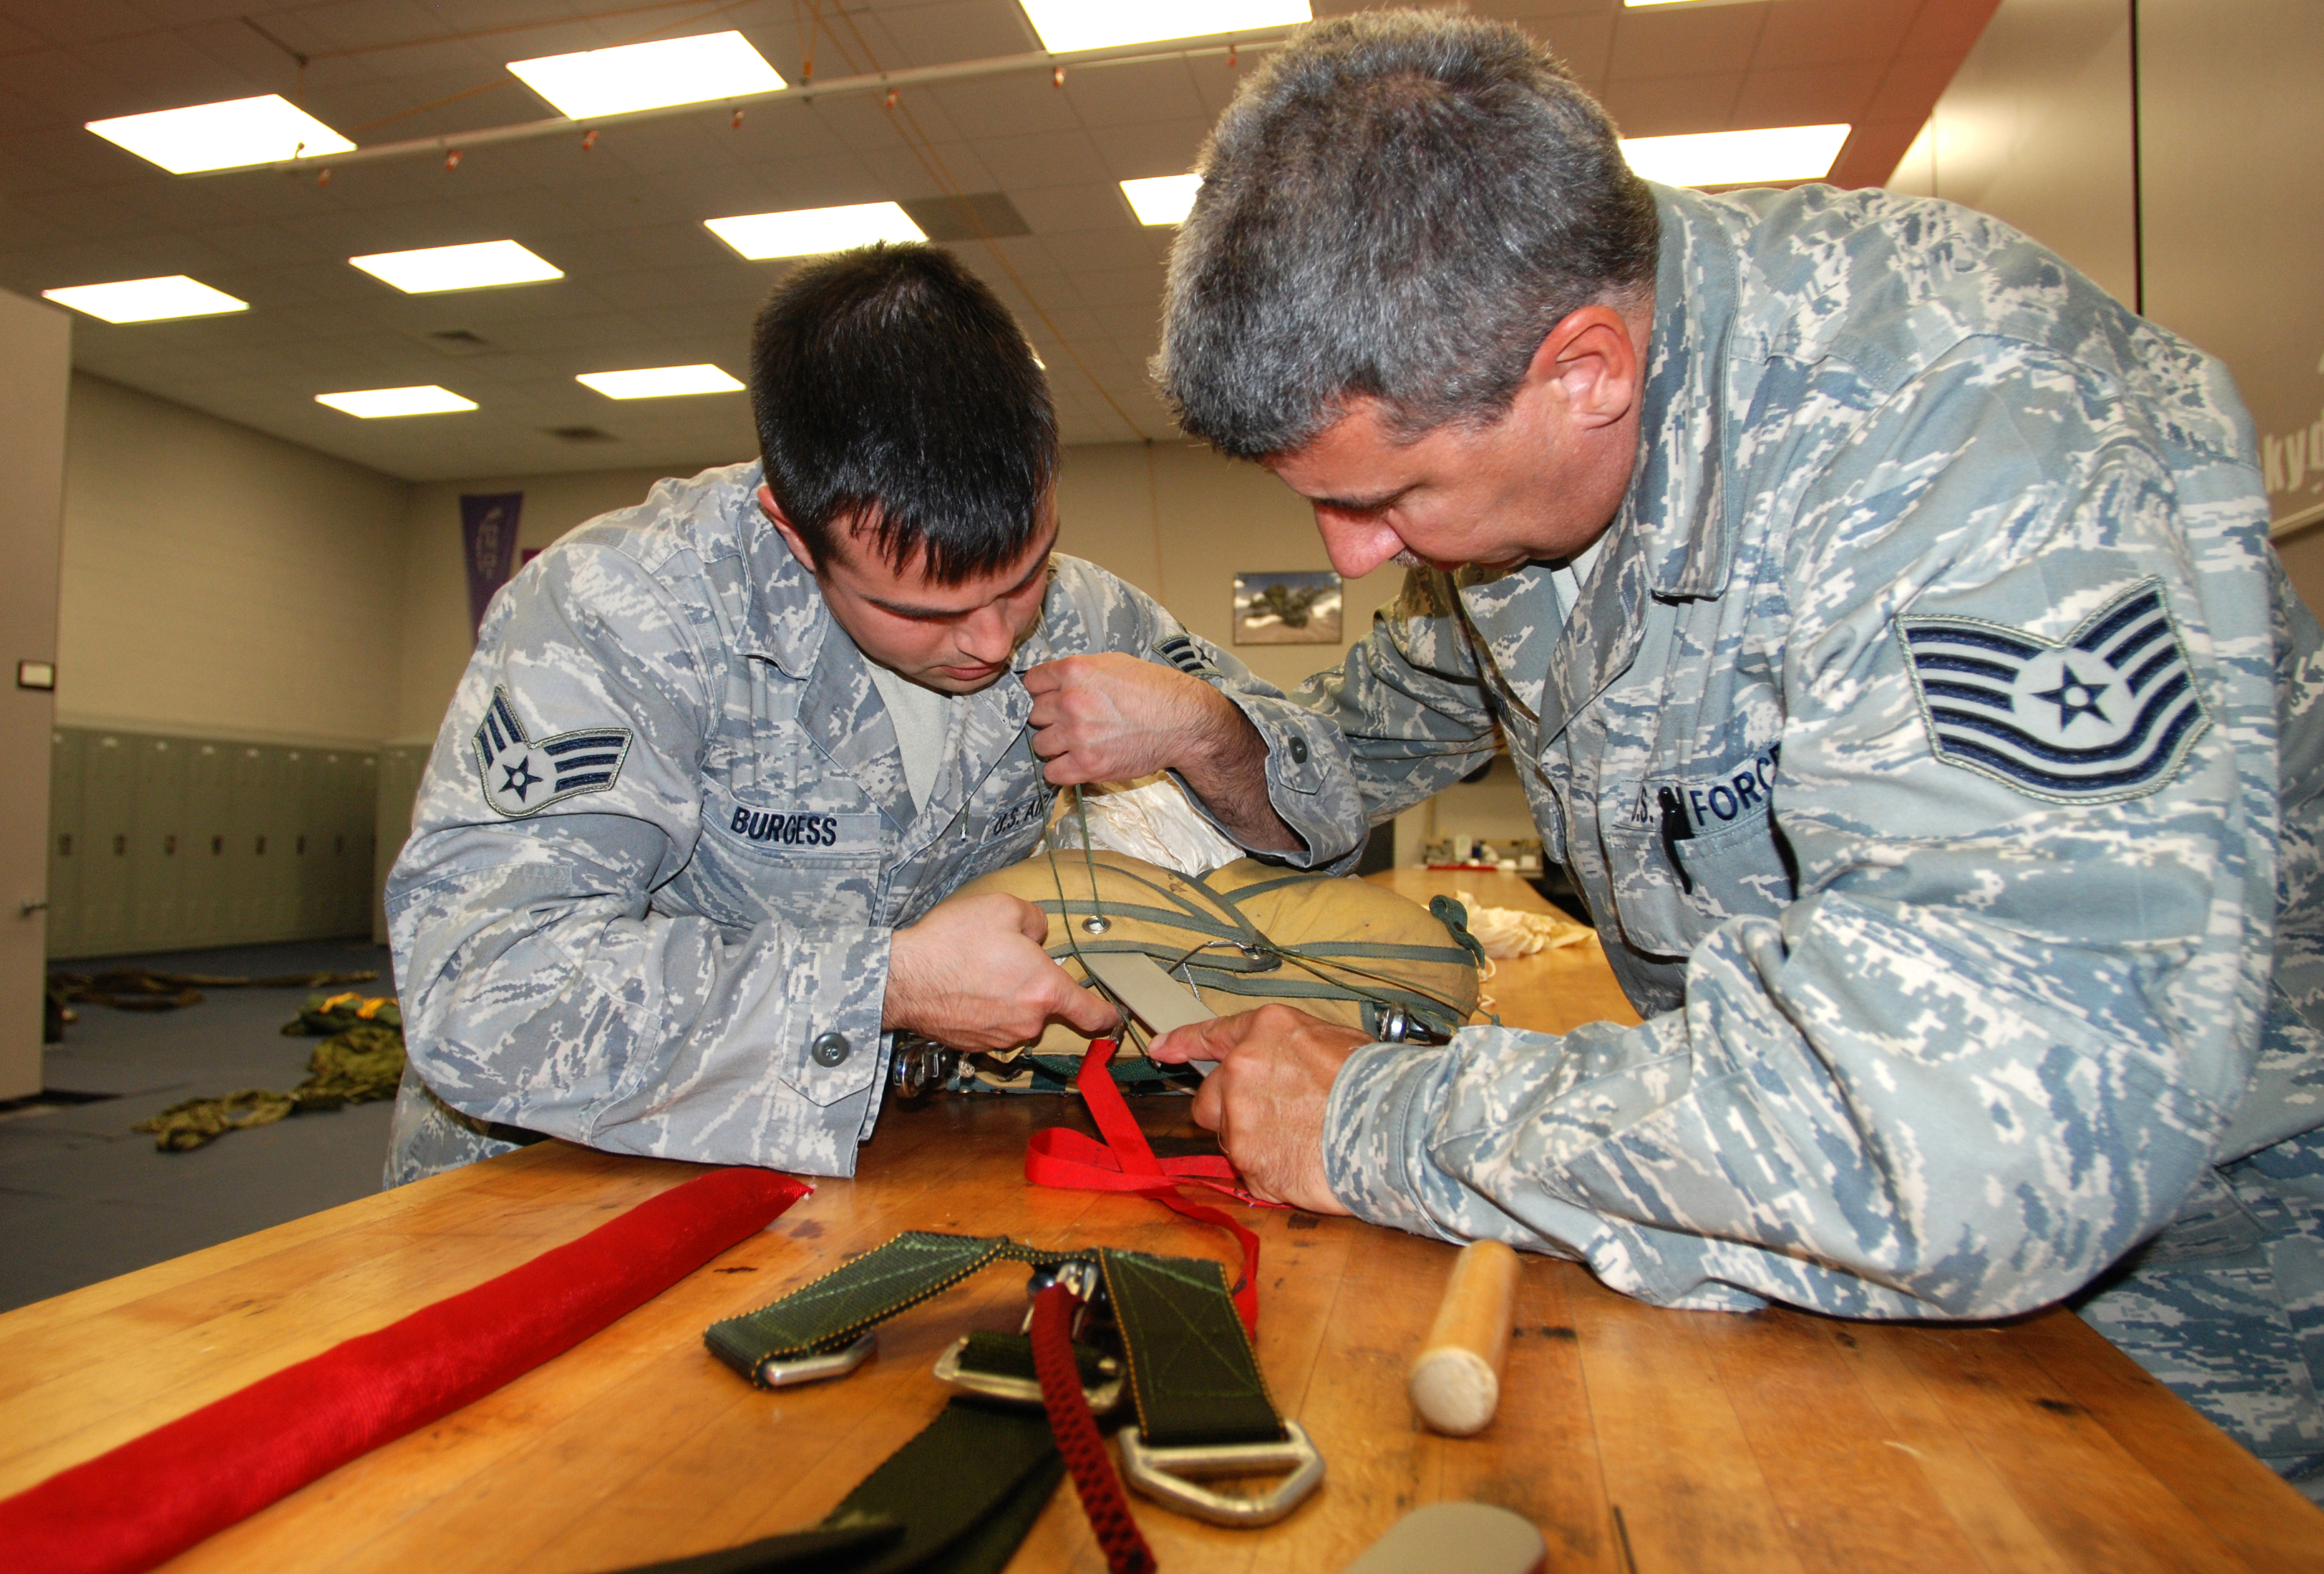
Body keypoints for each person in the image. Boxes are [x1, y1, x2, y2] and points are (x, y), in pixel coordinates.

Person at [1141, 11, 2324, 1486]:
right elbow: (1378, 732)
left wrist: (1379, 1119)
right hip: (1813, 1254)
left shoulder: (1957, 425)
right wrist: (1206, 729)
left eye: (1393, 494)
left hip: (2192, 1325)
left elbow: (1968, 1129)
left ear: (1588, 370)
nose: (1359, 555)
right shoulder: (1526, 474)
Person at [384, 243, 1360, 1187]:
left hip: (870, 1176)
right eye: (919, 610)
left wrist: (1208, 732)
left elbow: (1329, 828)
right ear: (792, 534)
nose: (988, 640)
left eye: (1020, 578)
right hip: (556, 1188)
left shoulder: (1084, 616)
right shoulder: (625, 610)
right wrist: (891, 985)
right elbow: (482, 994)